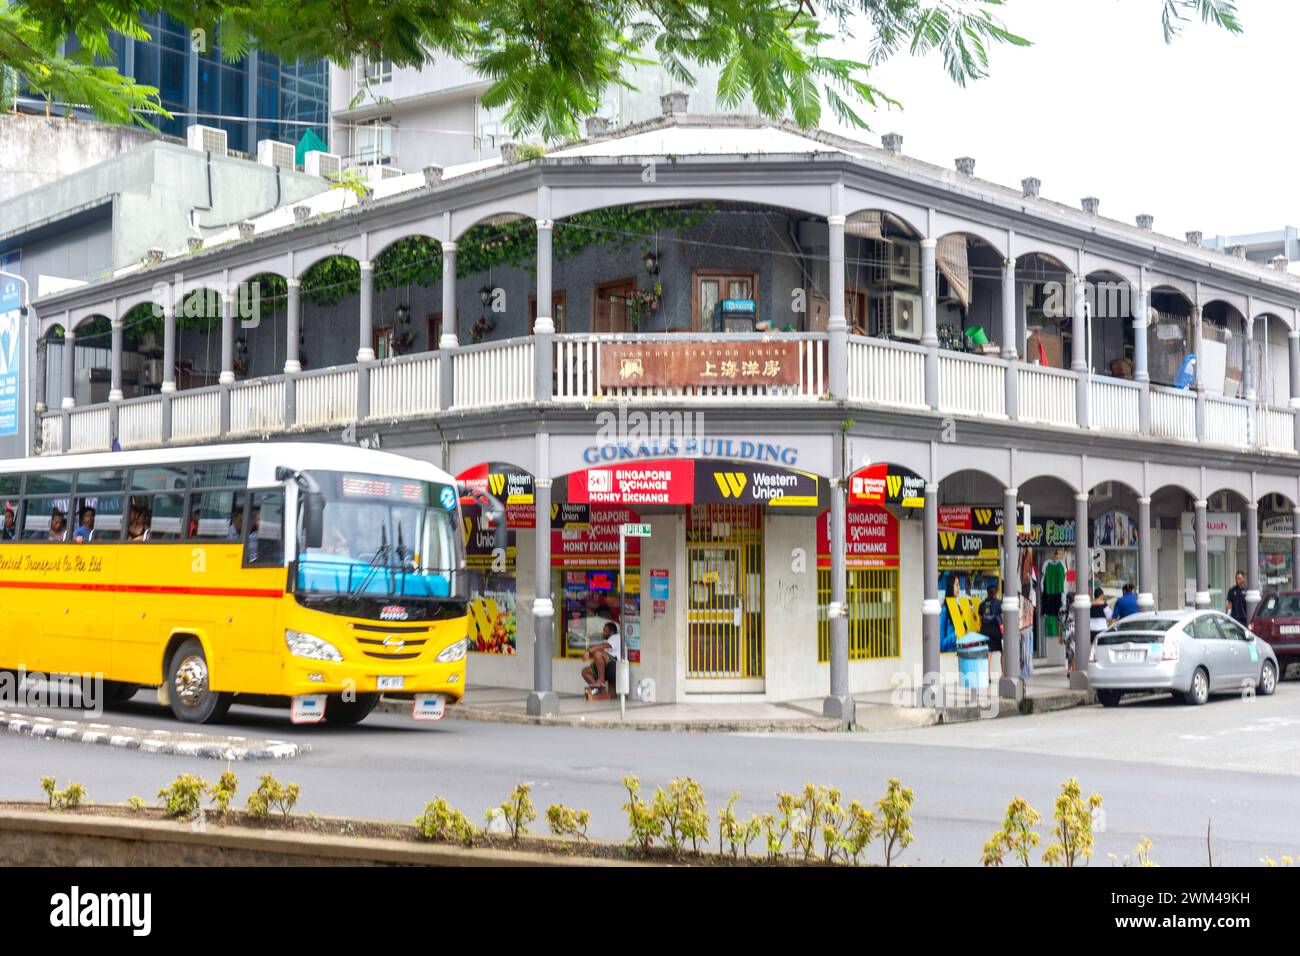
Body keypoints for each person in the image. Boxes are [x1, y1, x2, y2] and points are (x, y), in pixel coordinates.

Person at [580, 621, 621, 694]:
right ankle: (600, 690)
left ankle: (601, 680)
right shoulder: (608, 639)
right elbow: (602, 658)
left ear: (611, 632)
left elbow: (605, 646)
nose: (603, 632)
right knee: (585, 671)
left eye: (605, 631)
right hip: (607, 668)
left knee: (598, 653)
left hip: (616, 665)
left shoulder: (616, 637)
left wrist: (590, 651)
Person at [979, 582, 1004, 678]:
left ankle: (987, 676)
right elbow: (1002, 617)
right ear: (996, 592)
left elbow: (981, 618)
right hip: (996, 631)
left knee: (988, 653)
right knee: (1002, 652)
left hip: (985, 630)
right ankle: (1003, 674)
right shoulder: (998, 603)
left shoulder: (982, 604)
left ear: (987, 592)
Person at [1018, 583, 1034, 678]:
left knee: (1022, 652)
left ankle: (1022, 670)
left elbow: (1021, 617)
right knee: (1027, 652)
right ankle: (1027, 670)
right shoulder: (1030, 604)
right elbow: (1030, 617)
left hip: (1021, 629)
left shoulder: (1021, 602)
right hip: (1028, 628)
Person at [1062, 590, 1077, 674]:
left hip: (1067, 632)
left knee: (1069, 651)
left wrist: (1061, 635)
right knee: (1074, 651)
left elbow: (1060, 622)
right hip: (1074, 630)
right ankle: (1073, 669)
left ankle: (1069, 669)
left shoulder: (1063, 608)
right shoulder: (1075, 607)